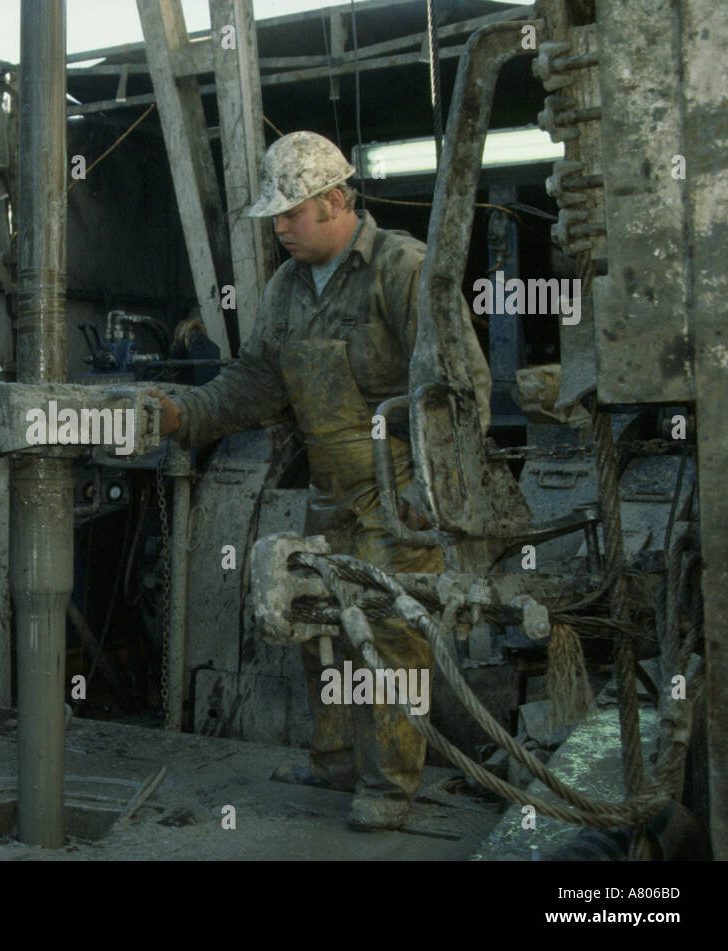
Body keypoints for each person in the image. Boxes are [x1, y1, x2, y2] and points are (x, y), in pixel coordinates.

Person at [150, 131, 491, 832]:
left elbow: (459, 386)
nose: (278, 228)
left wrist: (432, 492)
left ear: (336, 200)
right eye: (274, 216)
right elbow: (254, 382)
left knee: (391, 635)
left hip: (398, 495)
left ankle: (390, 782)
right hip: (331, 490)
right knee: (315, 621)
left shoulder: (403, 269)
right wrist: (184, 415)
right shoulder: (285, 288)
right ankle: (336, 761)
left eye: (290, 213)